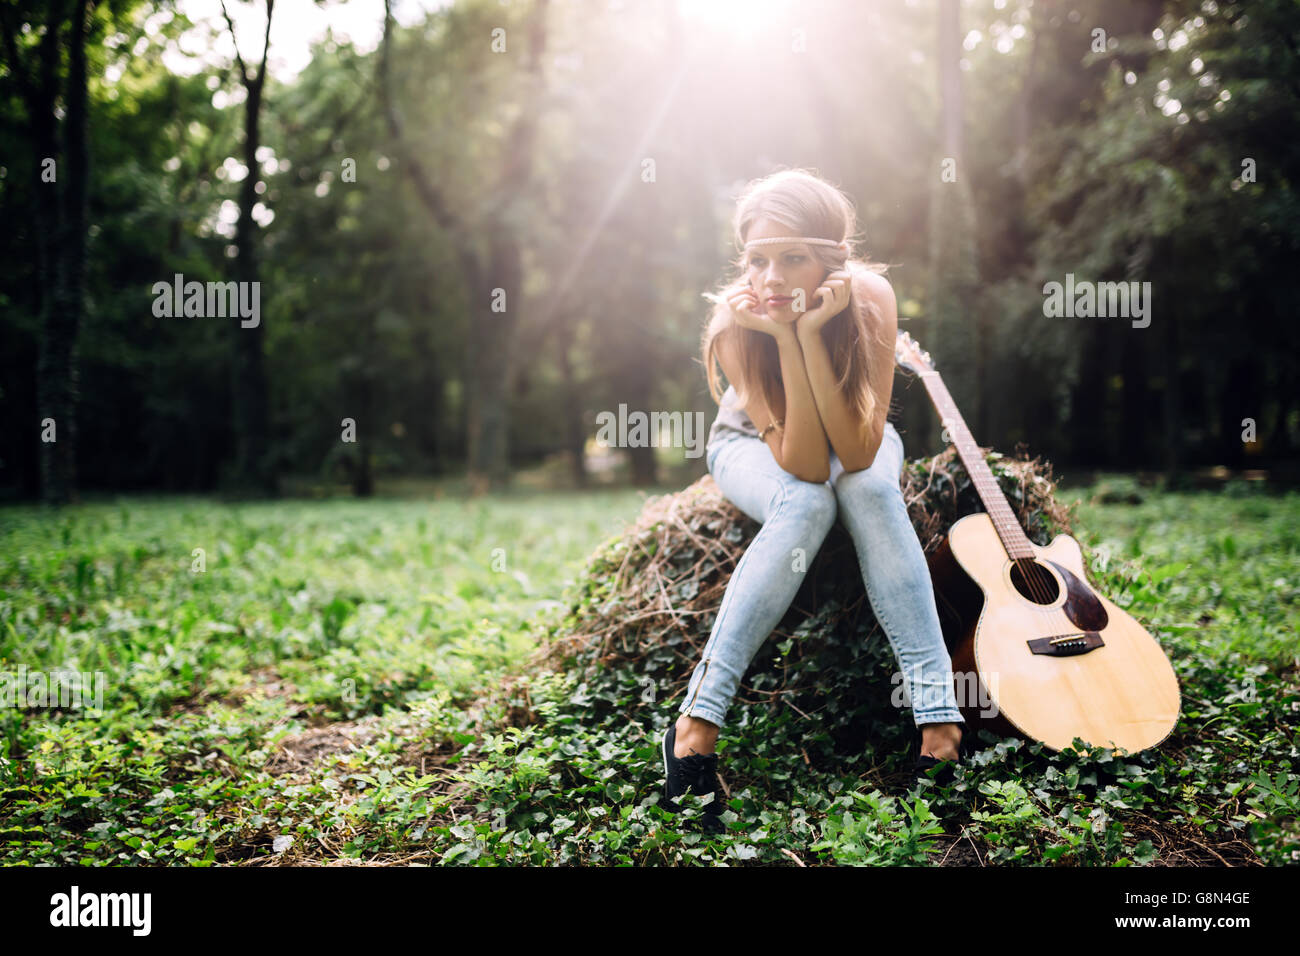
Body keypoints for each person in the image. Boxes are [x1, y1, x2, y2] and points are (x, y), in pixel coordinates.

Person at [661, 168, 966, 834]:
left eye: (792, 257)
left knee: (871, 486)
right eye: (758, 259)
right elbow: (799, 464)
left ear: (832, 258)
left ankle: (941, 730)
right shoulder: (739, 317)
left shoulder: (870, 298)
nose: (770, 277)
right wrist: (788, 337)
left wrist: (813, 337)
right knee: (805, 506)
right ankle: (693, 729)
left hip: (855, 426)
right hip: (755, 444)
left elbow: (855, 452)